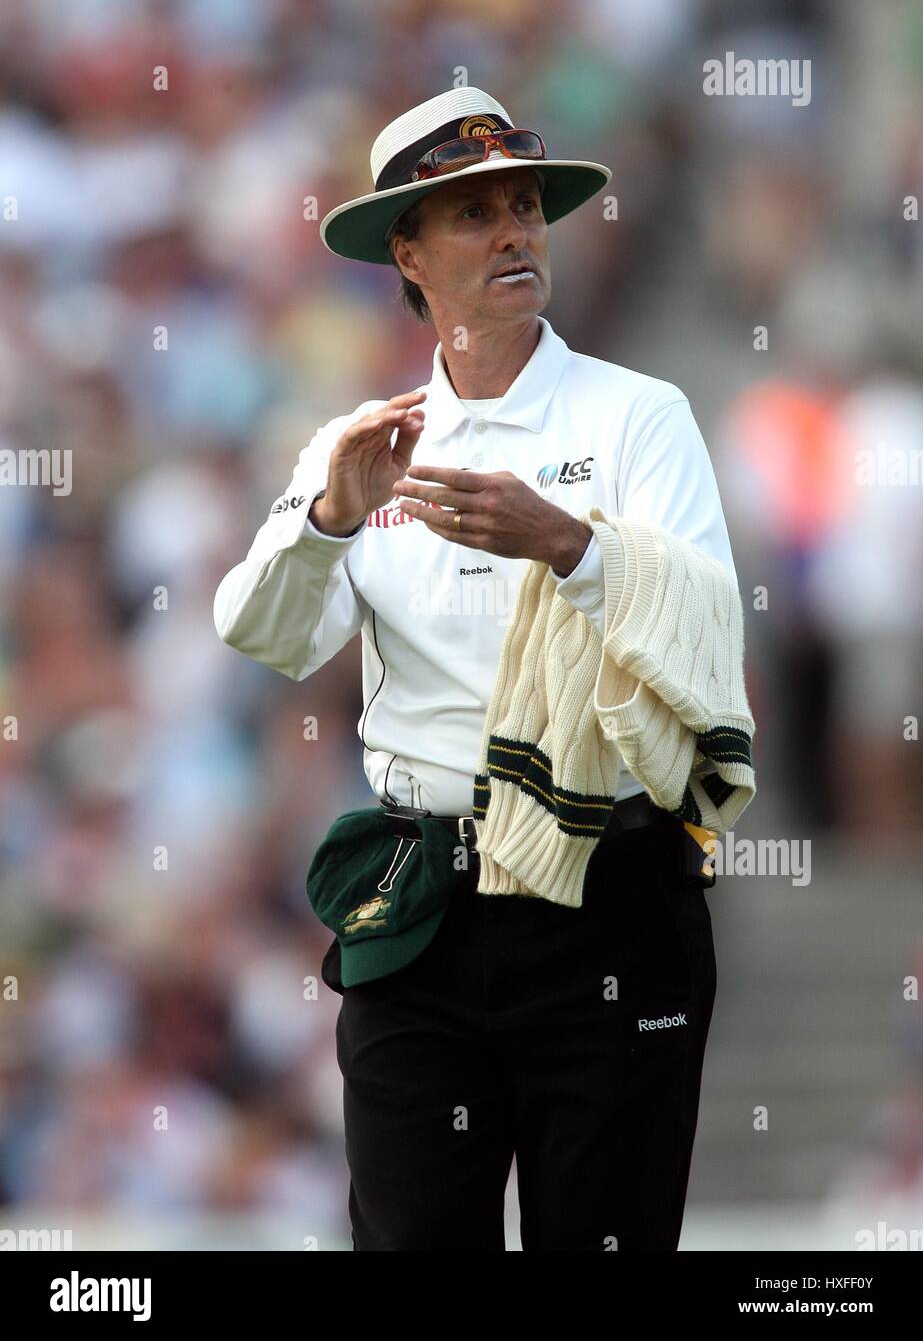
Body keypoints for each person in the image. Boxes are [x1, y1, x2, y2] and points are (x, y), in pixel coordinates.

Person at [213, 87, 741, 1251]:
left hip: (607, 895)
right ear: (406, 252)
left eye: (523, 207)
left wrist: (564, 541)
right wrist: (327, 521)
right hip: (421, 903)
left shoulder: (636, 416)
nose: (513, 232)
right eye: (472, 213)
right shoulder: (361, 444)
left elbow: (708, 629)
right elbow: (262, 633)